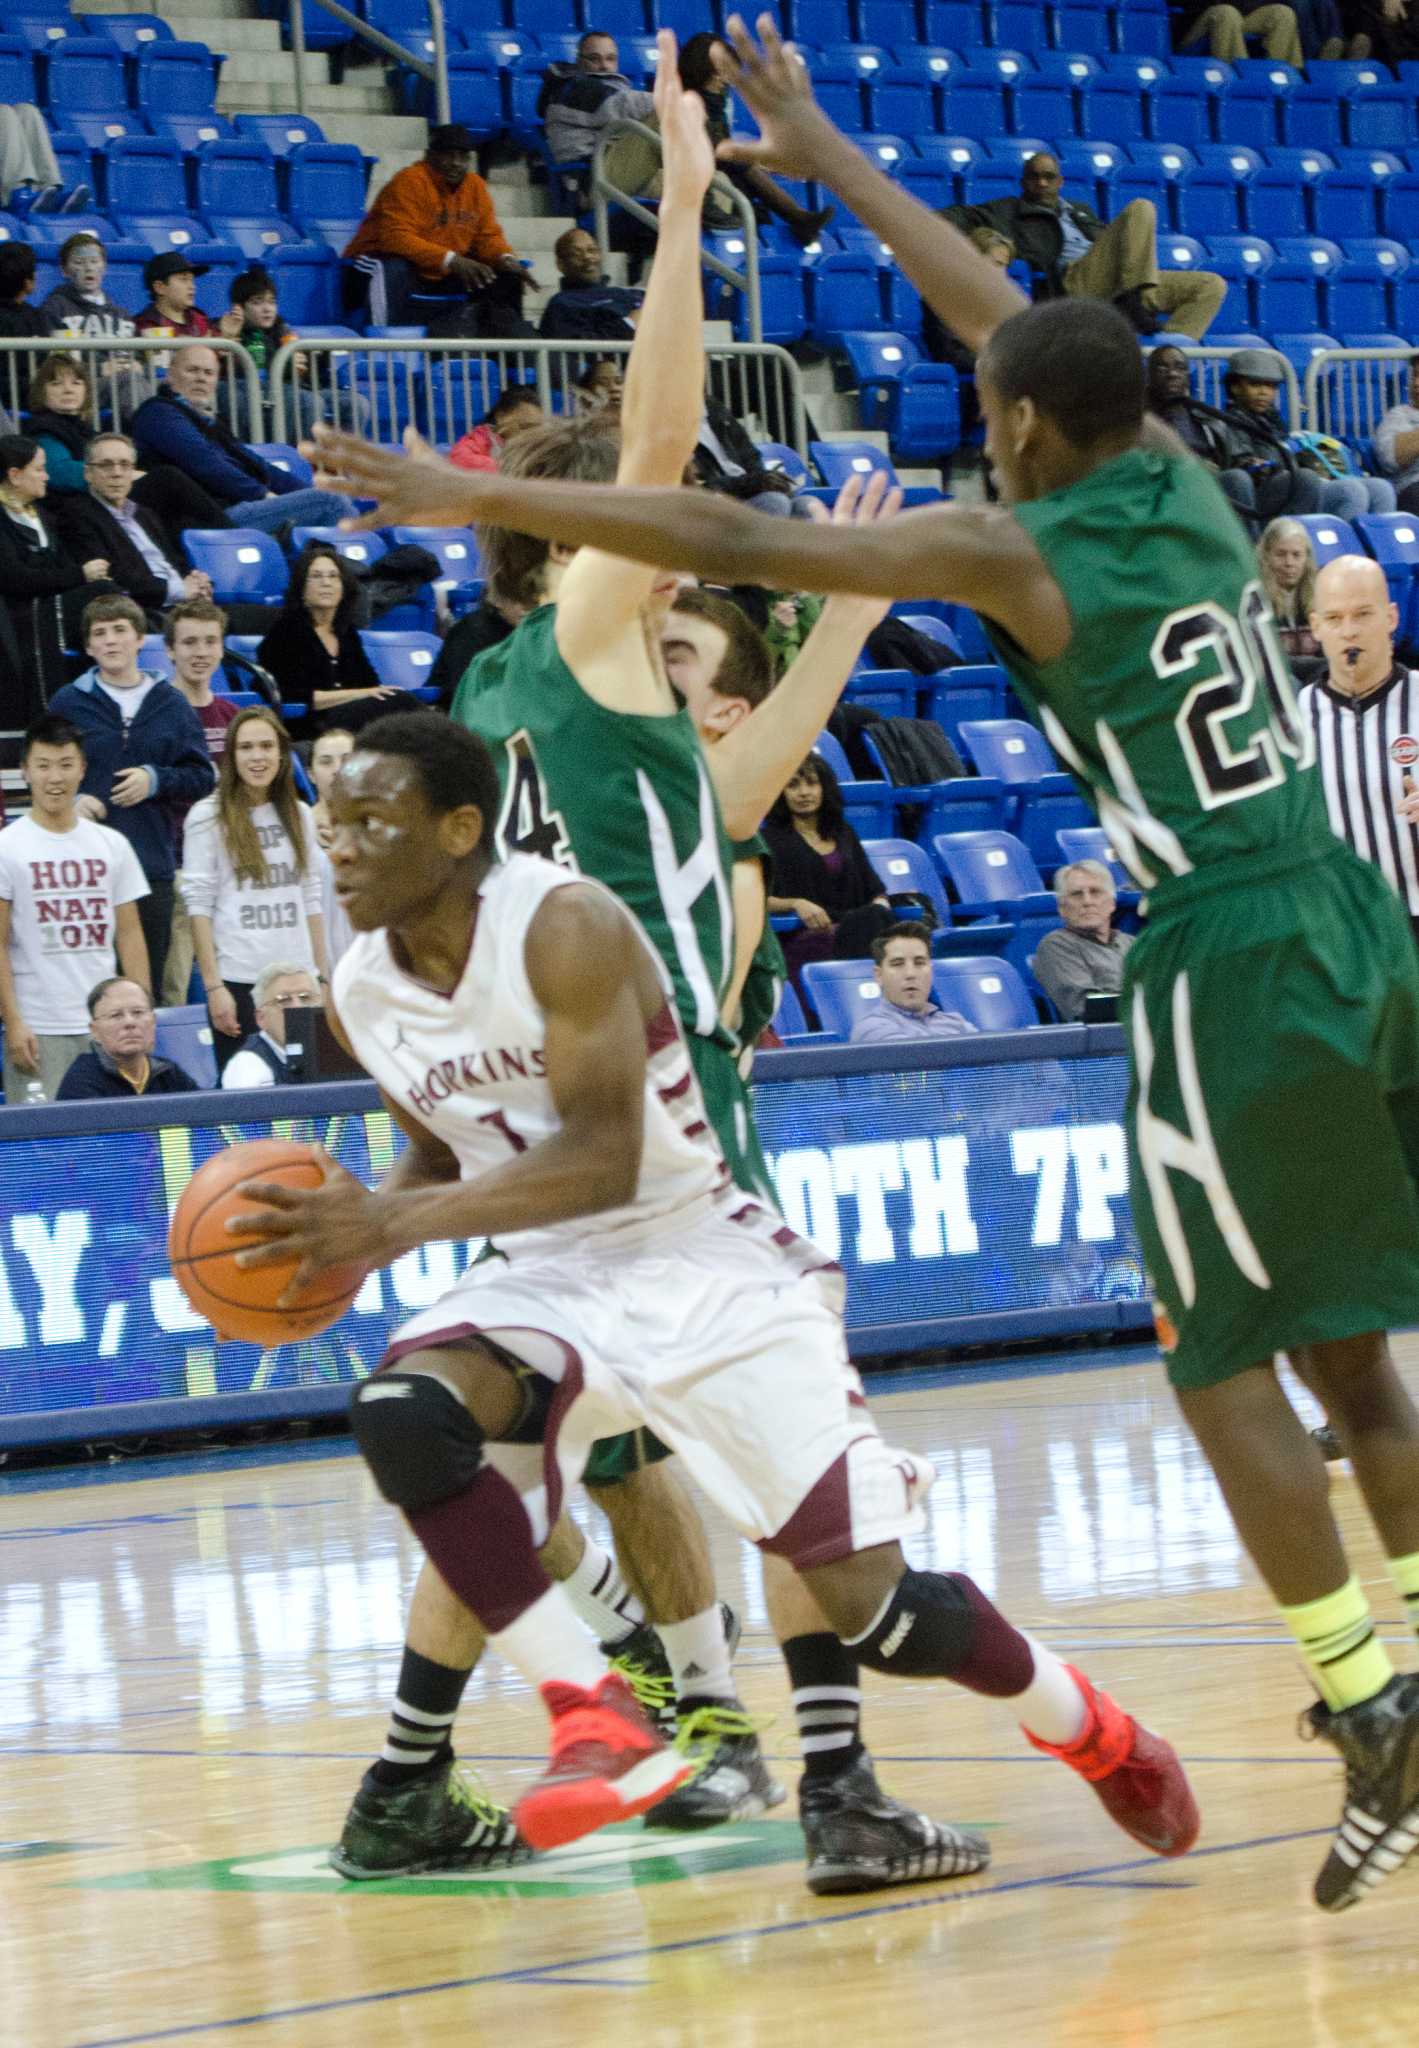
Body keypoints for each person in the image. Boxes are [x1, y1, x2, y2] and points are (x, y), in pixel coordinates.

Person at [310, 13, 1419, 1909]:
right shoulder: (1169, 474)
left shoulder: (1003, 546)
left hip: (1197, 963)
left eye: (990, 401)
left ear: (1011, 432)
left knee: (1211, 1353)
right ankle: (1353, 1674)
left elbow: (724, 518)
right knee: (1345, 1345)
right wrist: (818, 154)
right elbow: (1013, 330)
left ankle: (1340, 1697)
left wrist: (491, 488)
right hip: (1338, 909)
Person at [324, 46, 982, 1895]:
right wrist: (685, 198)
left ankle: (435, 1763)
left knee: (517, 1441)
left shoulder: (515, 712)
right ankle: (819, 1779)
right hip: (650, 1110)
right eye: (637, 543)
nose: (674, 561)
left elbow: (730, 792)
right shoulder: (581, 613)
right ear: (579, 549)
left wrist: (845, 612)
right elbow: (659, 441)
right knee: (787, 1454)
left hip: (577, 1096)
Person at [232, 711, 1196, 1865]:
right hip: (546, 1273)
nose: (335, 845)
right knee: (404, 1407)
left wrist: (392, 1221)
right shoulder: (361, 986)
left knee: (880, 1615)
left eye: (367, 821)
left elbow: (605, 1155)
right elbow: (444, 1157)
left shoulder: (565, 922)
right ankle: (593, 1708)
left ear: (457, 828)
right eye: (328, 821)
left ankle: (1090, 1729)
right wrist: (361, 1238)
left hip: (696, 1254)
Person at [48, 594, 214, 992]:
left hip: (149, 865)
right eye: (99, 633)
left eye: (120, 630)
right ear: (88, 647)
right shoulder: (68, 702)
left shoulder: (171, 704)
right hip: (82, 871)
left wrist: (155, 779)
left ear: (140, 639)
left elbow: (202, 776)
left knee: (144, 988)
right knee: (86, 989)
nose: (110, 641)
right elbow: (42, 770)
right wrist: (69, 802)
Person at [0, 714, 150, 1103]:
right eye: (44, 765)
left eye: (66, 765)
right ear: (24, 771)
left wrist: (141, 1012)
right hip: (39, 1026)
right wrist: (13, 1022)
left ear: (82, 769)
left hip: (108, 1024)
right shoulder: (7, 847)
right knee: (45, 1151)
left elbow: (131, 935)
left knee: (121, 1142)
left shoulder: (112, 844)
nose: (55, 777)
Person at [180, 704, 328, 1076]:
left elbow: (310, 897)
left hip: (299, 981)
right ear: (231, 756)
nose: (257, 757)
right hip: (241, 980)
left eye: (266, 746)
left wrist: (322, 977)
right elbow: (198, 907)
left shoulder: (299, 813)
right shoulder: (206, 815)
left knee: (313, 1086)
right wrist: (214, 987)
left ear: (281, 753)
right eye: (246, 748)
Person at [947, 152, 1225, 341]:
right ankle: (1133, 299)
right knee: (1142, 207)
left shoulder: (1081, 211)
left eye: (1049, 176)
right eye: (1034, 177)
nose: (1042, 183)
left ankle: (1164, 355)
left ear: (1060, 181)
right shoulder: (1009, 209)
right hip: (1075, 284)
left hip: (1119, 283)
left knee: (1210, 286)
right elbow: (963, 216)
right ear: (1023, 182)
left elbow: (1112, 243)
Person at [1296, 554, 1419, 942]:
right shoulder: (1294, 721)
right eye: (1334, 619)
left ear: (1391, 618)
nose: (1349, 631)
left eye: (1363, 614)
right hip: (1340, 931)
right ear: (1315, 627)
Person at [130, 344, 354, 538]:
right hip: (215, 517)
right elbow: (206, 464)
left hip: (244, 508)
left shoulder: (210, 421)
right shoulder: (159, 412)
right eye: (192, 370)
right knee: (330, 501)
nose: (201, 378)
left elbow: (259, 464)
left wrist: (302, 492)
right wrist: (263, 495)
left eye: (209, 373)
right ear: (170, 375)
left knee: (333, 498)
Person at [343, 124, 538, 331]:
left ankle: (507, 347)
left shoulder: (476, 186)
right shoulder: (409, 180)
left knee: (503, 276)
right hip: (370, 265)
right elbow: (396, 238)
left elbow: (488, 236)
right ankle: (381, 345)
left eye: (463, 157)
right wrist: (451, 260)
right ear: (429, 156)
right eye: (448, 155)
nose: (456, 163)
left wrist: (505, 258)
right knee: (392, 268)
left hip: (435, 271)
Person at [49, 431, 243, 630]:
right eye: (106, 465)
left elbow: (172, 561)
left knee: (264, 619)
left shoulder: (144, 514)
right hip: (145, 613)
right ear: (87, 473)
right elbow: (112, 579)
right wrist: (179, 590)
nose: (117, 472)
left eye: (124, 465)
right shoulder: (76, 516)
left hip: (184, 606)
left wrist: (197, 581)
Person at [161, 596, 244, 1005]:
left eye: (210, 642)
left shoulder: (232, 717)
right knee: (174, 991)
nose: (201, 652)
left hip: (232, 866)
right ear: (170, 650)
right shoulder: (155, 715)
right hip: (177, 866)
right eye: (190, 642)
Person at [0, 432, 115, 720]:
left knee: (109, 594)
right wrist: (80, 575)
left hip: (51, 602)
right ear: (15, 475)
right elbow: (15, 578)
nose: (46, 477)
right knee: (98, 592)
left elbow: (60, 567)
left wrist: (82, 574)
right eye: (39, 469)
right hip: (17, 613)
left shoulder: (43, 516)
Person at [680, 32, 832, 246]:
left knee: (748, 180)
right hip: (692, 166)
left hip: (717, 167)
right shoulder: (685, 101)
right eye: (721, 71)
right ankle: (797, 217)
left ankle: (795, 221)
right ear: (704, 70)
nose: (726, 80)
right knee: (744, 166)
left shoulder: (716, 102)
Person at [1218, 349, 1395, 527]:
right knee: (1349, 490)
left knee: (1380, 489)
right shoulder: (1227, 422)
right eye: (1255, 384)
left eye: (1270, 386)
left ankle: (1379, 550)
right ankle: (1330, 550)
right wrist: (1288, 467)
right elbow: (1243, 466)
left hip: (1295, 487)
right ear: (1235, 387)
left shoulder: (1272, 421)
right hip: (1269, 496)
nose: (1264, 392)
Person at [764, 754, 893, 989]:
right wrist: (795, 903)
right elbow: (754, 900)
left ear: (825, 787)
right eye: (793, 785)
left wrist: (881, 902)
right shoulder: (769, 840)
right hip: (804, 935)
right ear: (780, 792)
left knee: (881, 919)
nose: (804, 792)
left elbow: (874, 888)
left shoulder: (844, 832)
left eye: (812, 783)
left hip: (855, 924)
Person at [255, 544, 399, 734]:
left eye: (333, 576)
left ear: (343, 588)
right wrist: (361, 694)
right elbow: (291, 696)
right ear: (301, 589)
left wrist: (370, 693)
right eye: (316, 576)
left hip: (353, 722)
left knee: (398, 700)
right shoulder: (285, 633)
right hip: (309, 726)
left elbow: (370, 683)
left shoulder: (346, 633)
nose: (326, 583)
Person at [538, 29, 655, 212]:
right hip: (591, 182)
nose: (604, 66)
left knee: (710, 181)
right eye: (595, 58)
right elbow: (623, 105)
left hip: (616, 172)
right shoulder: (572, 90)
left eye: (610, 59)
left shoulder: (607, 89)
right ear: (579, 61)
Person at [39, 231, 147, 421]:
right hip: (79, 387)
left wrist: (139, 364)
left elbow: (140, 355)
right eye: (79, 263)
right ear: (64, 270)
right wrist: (100, 368)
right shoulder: (55, 308)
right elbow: (54, 362)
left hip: (125, 384)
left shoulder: (121, 314)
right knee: (131, 382)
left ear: (104, 266)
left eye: (95, 261)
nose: (88, 268)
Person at [54, 975, 199, 1099]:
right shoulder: (81, 1081)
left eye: (138, 1012)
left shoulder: (169, 1073)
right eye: (116, 1015)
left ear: (153, 1021)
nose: (129, 1022)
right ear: (95, 1031)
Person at [1033, 860, 1135, 1023]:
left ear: (1112, 903)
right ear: (1062, 908)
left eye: (1095, 892)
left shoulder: (1132, 943)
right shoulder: (1055, 945)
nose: (1087, 901)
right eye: (1076, 894)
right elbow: (1086, 1008)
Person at [850, 921, 977, 1042]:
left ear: (931, 971)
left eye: (919, 963)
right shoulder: (871, 1028)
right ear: (879, 975)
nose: (910, 974)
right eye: (898, 964)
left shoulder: (956, 1022)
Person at [219, 957, 321, 1089]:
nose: (297, 1007)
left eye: (305, 997)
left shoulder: (332, 1051)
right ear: (260, 1018)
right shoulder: (248, 1065)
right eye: (283, 1000)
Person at [539, 227, 642, 345]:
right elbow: (578, 349)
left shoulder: (624, 293)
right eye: (576, 253)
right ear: (560, 264)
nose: (587, 257)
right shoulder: (562, 304)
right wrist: (630, 324)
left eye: (592, 250)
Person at [1257, 517, 1321, 668]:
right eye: (1280, 554)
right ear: (1266, 556)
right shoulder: (1257, 600)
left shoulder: (1320, 595)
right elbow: (1269, 662)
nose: (1289, 563)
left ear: (1307, 558)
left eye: (1296, 555)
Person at [446, 387, 544, 475]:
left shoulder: (539, 445)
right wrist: (511, 468)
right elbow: (459, 460)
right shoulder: (481, 438)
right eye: (524, 426)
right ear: (501, 417)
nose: (530, 434)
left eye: (536, 428)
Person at [1374, 352, 1419, 516]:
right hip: (1412, 488)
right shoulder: (1398, 416)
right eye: (1414, 376)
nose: (1416, 383)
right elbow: (1390, 458)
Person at [133, 252, 212, 340]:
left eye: (192, 280)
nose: (192, 286)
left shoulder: (199, 319)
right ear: (160, 287)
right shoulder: (146, 324)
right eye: (184, 279)